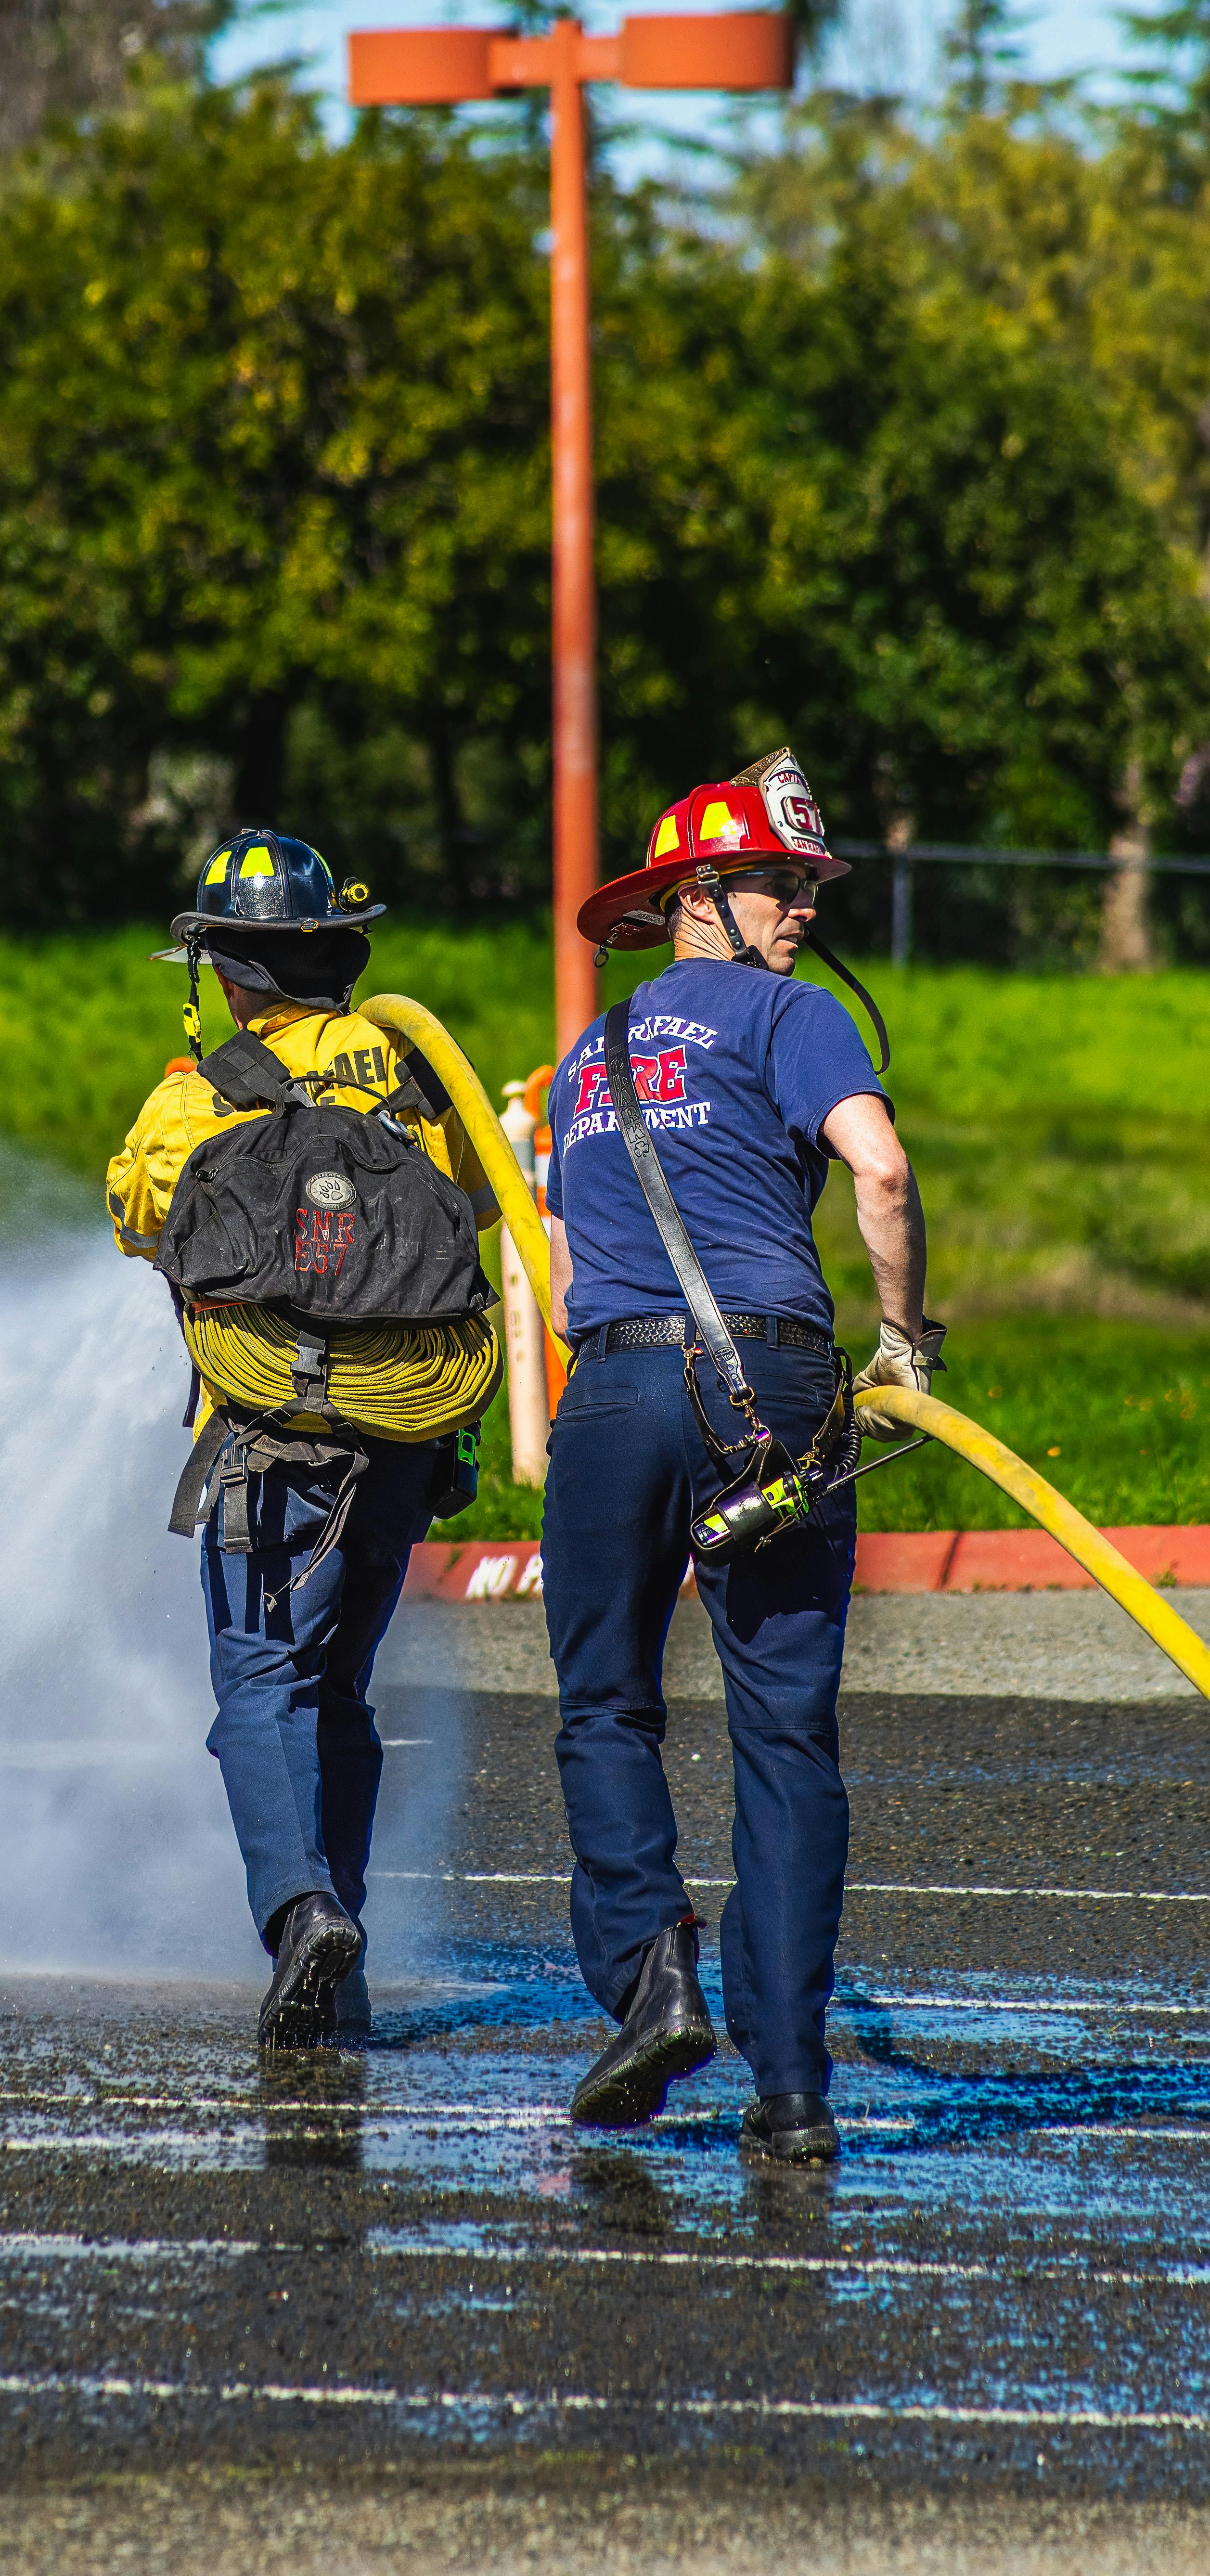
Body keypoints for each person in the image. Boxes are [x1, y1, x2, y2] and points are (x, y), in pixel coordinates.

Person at [542, 748, 944, 2165]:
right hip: (765, 1382)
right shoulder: (795, 1018)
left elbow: (561, 1254)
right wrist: (905, 1340)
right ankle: (792, 2092)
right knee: (783, 1730)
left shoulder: (584, 1064)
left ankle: (652, 1978)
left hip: (606, 1389)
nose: (803, 913)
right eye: (781, 885)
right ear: (699, 897)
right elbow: (881, 1170)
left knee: (605, 1705)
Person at [107, 829, 500, 2049]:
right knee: (338, 1687)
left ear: (225, 970)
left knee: (256, 1687)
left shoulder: (196, 1092)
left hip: (271, 1437)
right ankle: (347, 1974)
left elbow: (137, 1207)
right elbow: (476, 1204)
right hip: (403, 1439)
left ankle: (300, 1912)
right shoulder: (407, 1072)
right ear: (337, 949)